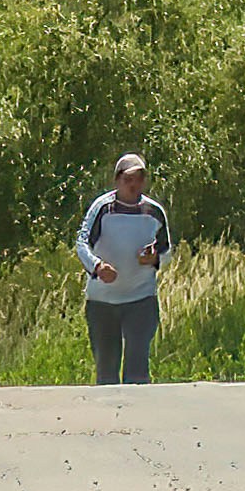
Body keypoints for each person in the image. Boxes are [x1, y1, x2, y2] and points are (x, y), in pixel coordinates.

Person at [73, 153, 171, 384]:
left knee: (137, 368)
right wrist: (97, 267)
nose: (133, 185)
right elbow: (81, 244)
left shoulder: (153, 212)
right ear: (117, 181)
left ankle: (139, 417)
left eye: (138, 179)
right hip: (102, 302)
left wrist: (154, 259)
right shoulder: (103, 209)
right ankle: (110, 418)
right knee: (106, 371)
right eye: (128, 179)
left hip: (141, 298)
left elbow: (167, 252)